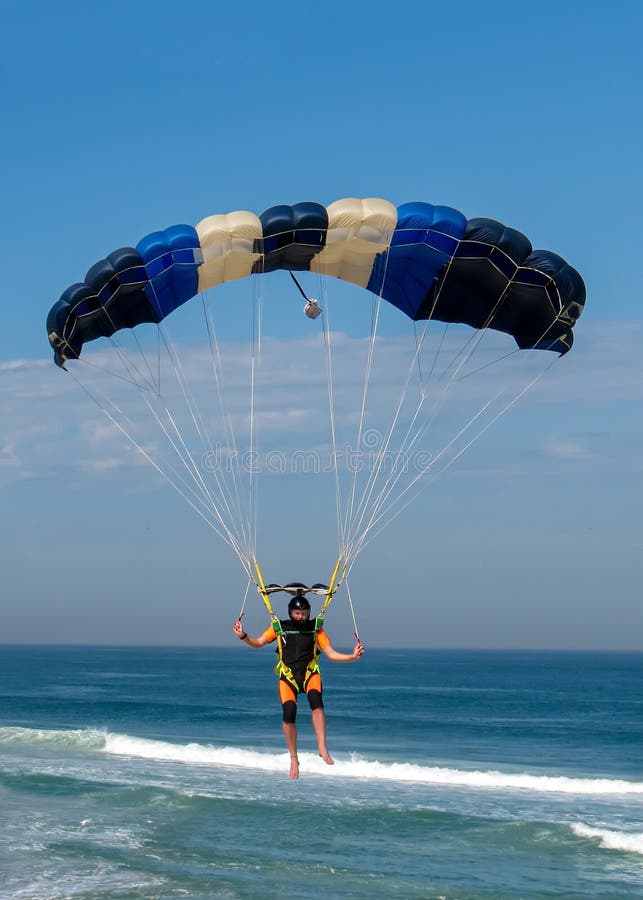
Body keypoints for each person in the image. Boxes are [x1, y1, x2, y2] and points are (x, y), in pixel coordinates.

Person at [233, 589, 364, 779]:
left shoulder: (316, 629)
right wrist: (243, 635)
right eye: (297, 613)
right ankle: (294, 758)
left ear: (309, 612)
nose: (300, 616)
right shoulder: (279, 627)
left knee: (316, 702)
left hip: (310, 673)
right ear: (290, 612)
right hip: (288, 676)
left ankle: (322, 746)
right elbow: (258, 642)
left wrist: (352, 656)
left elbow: (331, 654)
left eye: (304, 613)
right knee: (289, 713)